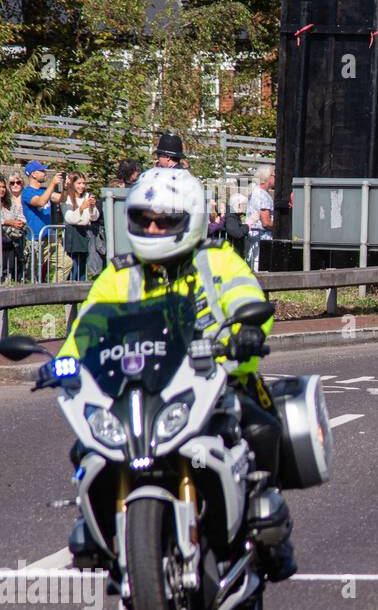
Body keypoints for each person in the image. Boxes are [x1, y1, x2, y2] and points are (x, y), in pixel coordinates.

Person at [56, 167, 296, 580]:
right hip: (139, 384)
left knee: (261, 428)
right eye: (144, 219)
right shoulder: (120, 273)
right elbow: (87, 327)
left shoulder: (216, 260)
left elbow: (246, 296)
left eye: (165, 220)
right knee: (87, 449)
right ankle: (100, 534)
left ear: (191, 219)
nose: (153, 227)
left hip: (215, 376)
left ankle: (262, 521)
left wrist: (247, 333)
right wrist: (66, 363)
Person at [21, 160, 64, 281]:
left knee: (66, 263)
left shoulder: (45, 190)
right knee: (32, 275)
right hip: (35, 240)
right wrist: (52, 184)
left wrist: (66, 187)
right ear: (34, 174)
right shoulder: (27, 192)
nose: (45, 173)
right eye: (42, 171)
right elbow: (40, 202)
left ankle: (54, 293)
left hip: (49, 238)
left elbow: (61, 198)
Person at [60, 172, 100, 282]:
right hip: (72, 234)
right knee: (73, 267)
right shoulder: (66, 198)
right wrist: (81, 209)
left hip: (85, 234)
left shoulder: (87, 196)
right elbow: (69, 218)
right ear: (72, 184)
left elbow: (94, 217)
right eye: (79, 183)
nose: (82, 186)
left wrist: (92, 208)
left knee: (83, 268)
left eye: (84, 183)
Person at [246, 165, 274, 270]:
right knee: (260, 269)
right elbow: (266, 222)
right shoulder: (262, 195)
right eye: (274, 175)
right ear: (267, 177)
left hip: (256, 238)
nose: (276, 177)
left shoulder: (257, 192)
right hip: (261, 239)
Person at [2, 172, 28, 281]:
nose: (2, 189)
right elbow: (7, 221)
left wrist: (20, 223)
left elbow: (21, 218)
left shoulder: (10, 203)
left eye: (3, 187)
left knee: (10, 272)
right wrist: (7, 222)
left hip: (11, 243)